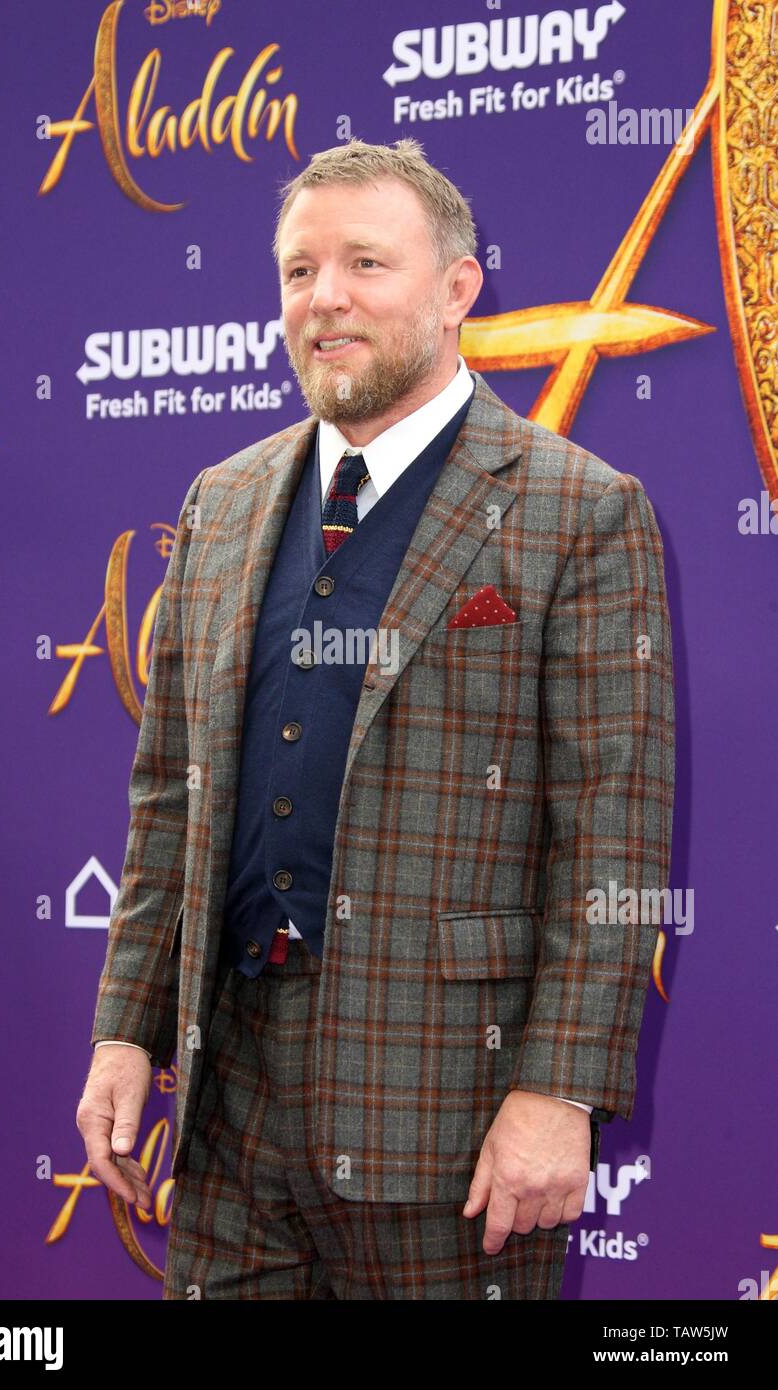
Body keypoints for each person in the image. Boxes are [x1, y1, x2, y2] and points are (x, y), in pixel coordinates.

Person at [77, 137, 675, 1300]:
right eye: (298, 272)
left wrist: (557, 1093)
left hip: (450, 1109)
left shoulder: (582, 511)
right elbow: (170, 792)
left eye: (364, 263)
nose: (324, 299)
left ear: (457, 290)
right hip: (228, 1099)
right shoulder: (222, 500)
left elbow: (615, 833)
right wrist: (125, 1030)